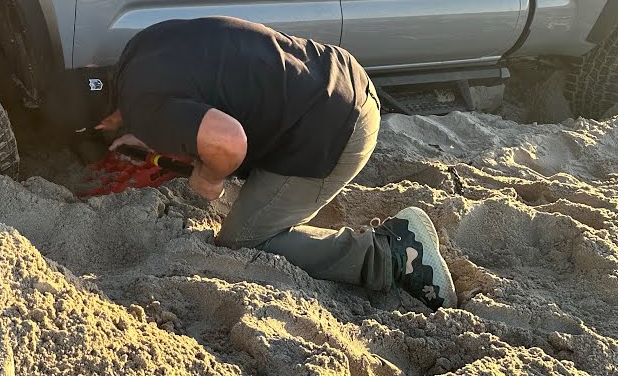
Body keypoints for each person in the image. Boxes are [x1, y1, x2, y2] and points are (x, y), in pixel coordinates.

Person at [47, 16, 457, 310]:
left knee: (244, 241)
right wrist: (148, 127)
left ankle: (390, 252)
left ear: (100, 122)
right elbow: (193, 86)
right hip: (341, 77)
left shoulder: (145, 106)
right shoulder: (140, 48)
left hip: (333, 134)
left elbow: (229, 141)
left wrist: (209, 178)